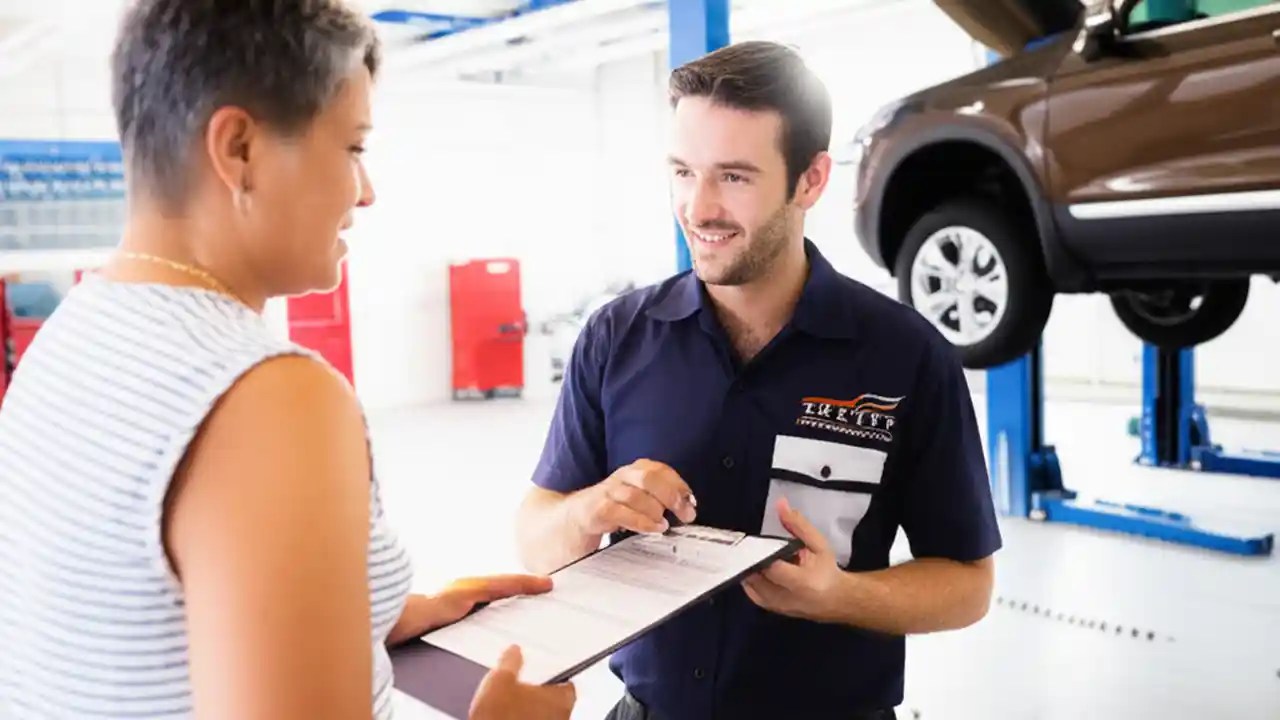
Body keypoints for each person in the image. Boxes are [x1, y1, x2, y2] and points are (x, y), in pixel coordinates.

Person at [0, 2, 574, 719]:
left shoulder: (77, 333)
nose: (365, 192)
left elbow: (128, 624)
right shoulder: (264, 397)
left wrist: (371, 619)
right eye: (354, 148)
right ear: (238, 148)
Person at [515, 41, 1001, 720]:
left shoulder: (906, 357)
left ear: (811, 180)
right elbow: (537, 535)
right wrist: (586, 511)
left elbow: (968, 584)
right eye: (683, 171)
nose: (698, 207)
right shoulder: (615, 338)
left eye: (735, 177)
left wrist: (844, 599)